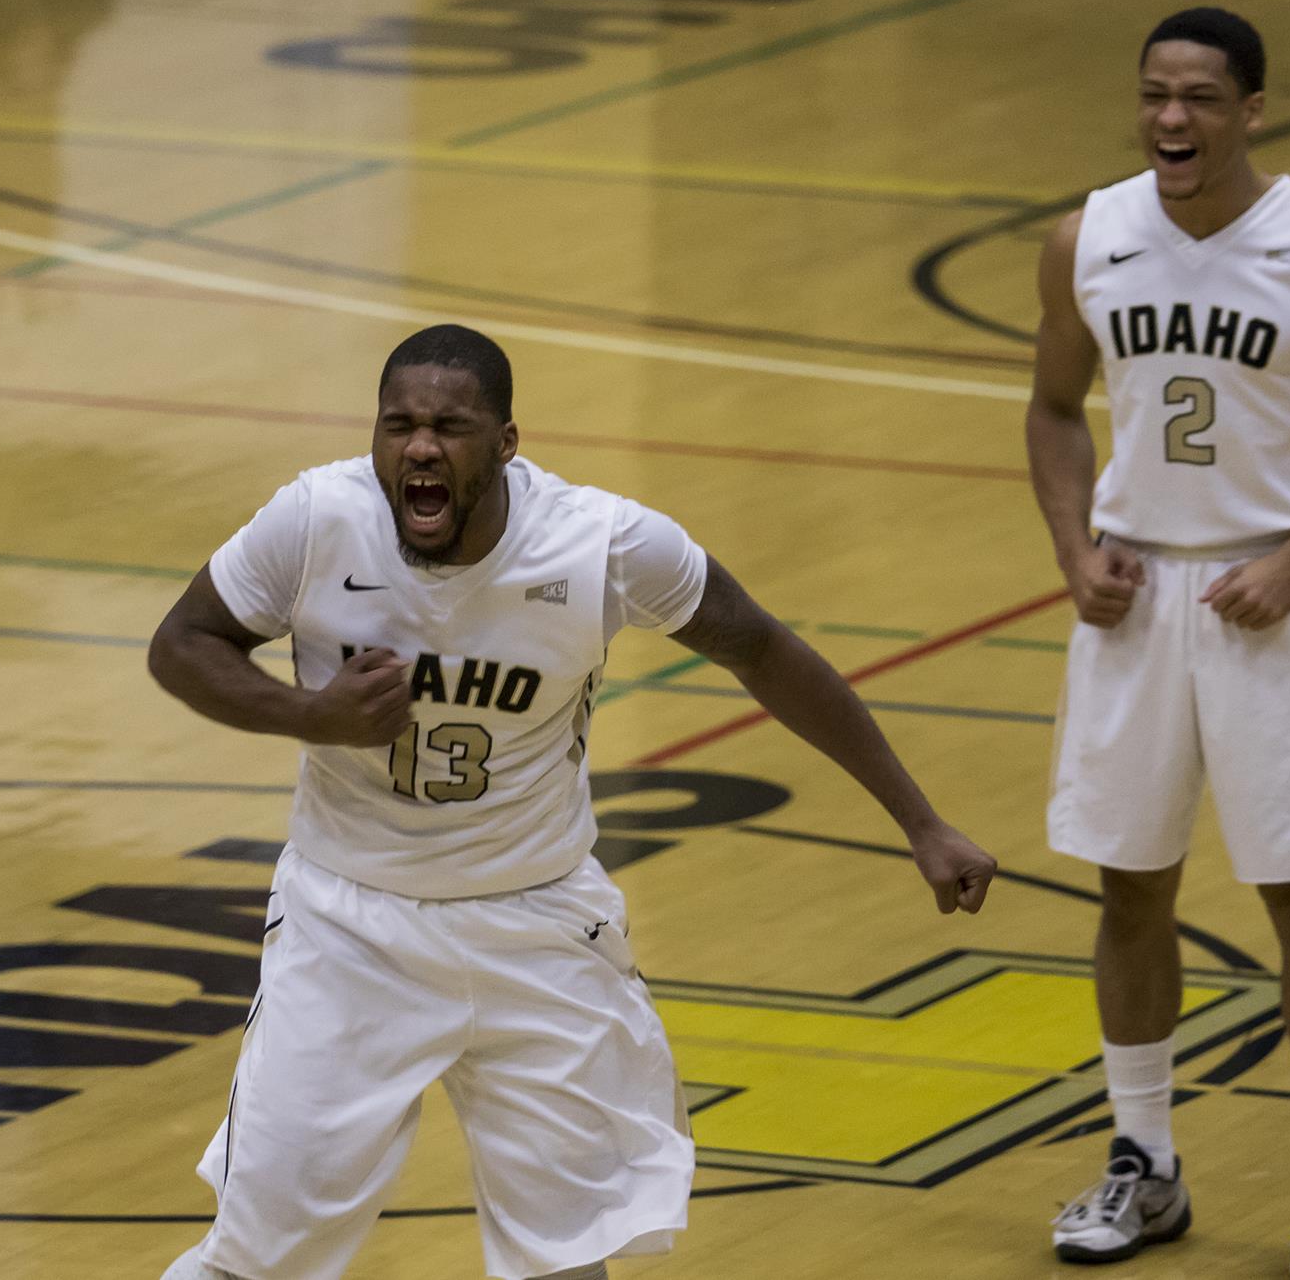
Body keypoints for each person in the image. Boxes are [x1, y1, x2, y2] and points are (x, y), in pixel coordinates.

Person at [147, 323, 998, 1280]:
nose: (419, 447)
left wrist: (921, 820)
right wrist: (313, 714)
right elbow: (182, 643)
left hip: (539, 927)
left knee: (566, 1260)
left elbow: (761, 648)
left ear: (506, 442)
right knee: (258, 1255)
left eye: (448, 427)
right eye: (398, 425)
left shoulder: (602, 544)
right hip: (349, 926)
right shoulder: (313, 520)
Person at [1026, 8, 1290, 1279]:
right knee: (1127, 886)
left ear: (1251, 110)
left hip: (1273, 600)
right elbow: (1051, 408)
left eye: (1200, 98)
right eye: (1154, 95)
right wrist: (1071, 547)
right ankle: (1141, 1160)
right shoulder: (1085, 236)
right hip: (1132, 604)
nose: (1171, 119)